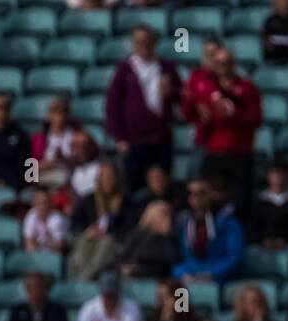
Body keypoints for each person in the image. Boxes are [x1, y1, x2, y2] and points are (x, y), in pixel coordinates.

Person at [183, 48, 262, 222]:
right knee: (211, 202)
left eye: (226, 62)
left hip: (240, 154)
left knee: (241, 203)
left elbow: (256, 119)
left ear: (233, 64)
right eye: (219, 63)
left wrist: (235, 113)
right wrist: (199, 111)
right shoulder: (209, 90)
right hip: (214, 153)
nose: (223, 67)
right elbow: (192, 117)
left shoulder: (247, 89)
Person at [104, 25, 181, 192]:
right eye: (139, 42)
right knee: (134, 186)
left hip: (160, 138)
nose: (143, 45)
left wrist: (172, 92)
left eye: (146, 41)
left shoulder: (167, 67)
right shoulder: (124, 69)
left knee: (162, 187)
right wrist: (120, 137)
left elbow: (181, 98)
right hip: (134, 140)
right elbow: (113, 105)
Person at [68, 160, 138, 280]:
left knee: (106, 243)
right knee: (83, 241)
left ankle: (84, 279)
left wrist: (109, 233)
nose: (107, 179)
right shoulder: (88, 200)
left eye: (110, 176)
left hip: (114, 243)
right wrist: (88, 230)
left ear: (117, 178)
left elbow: (130, 230)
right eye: (104, 176)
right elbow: (74, 224)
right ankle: (81, 277)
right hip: (91, 239)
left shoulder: (127, 203)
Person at [174, 178, 245, 283]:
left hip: (219, 276)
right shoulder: (183, 223)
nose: (196, 198)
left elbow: (234, 256)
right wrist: (183, 273)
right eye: (192, 193)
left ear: (211, 194)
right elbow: (177, 258)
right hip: (191, 275)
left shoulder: (228, 222)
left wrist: (212, 273)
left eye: (201, 193)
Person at [253, 157, 288, 250]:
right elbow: (253, 228)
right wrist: (263, 240)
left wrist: (286, 241)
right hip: (263, 245)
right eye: (274, 172)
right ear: (268, 175)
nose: (278, 176)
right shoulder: (260, 203)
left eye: (281, 172)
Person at [120, 199, 180, 278]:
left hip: (157, 275)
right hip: (134, 274)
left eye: (169, 214)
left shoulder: (170, 237)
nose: (167, 218)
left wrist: (167, 235)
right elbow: (124, 257)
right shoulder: (137, 234)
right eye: (164, 214)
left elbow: (172, 260)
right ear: (151, 215)